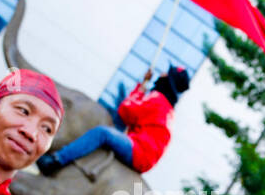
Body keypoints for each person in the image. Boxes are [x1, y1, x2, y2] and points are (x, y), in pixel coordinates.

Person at [36, 66, 188, 176]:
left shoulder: (158, 100)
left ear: (168, 80)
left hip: (138, 151)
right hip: (143, 154)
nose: (161, 74)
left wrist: (142, 86)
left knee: (102, 133)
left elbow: (125, 110)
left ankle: (56, 160)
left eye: (166, 73)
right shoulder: (167, 108)